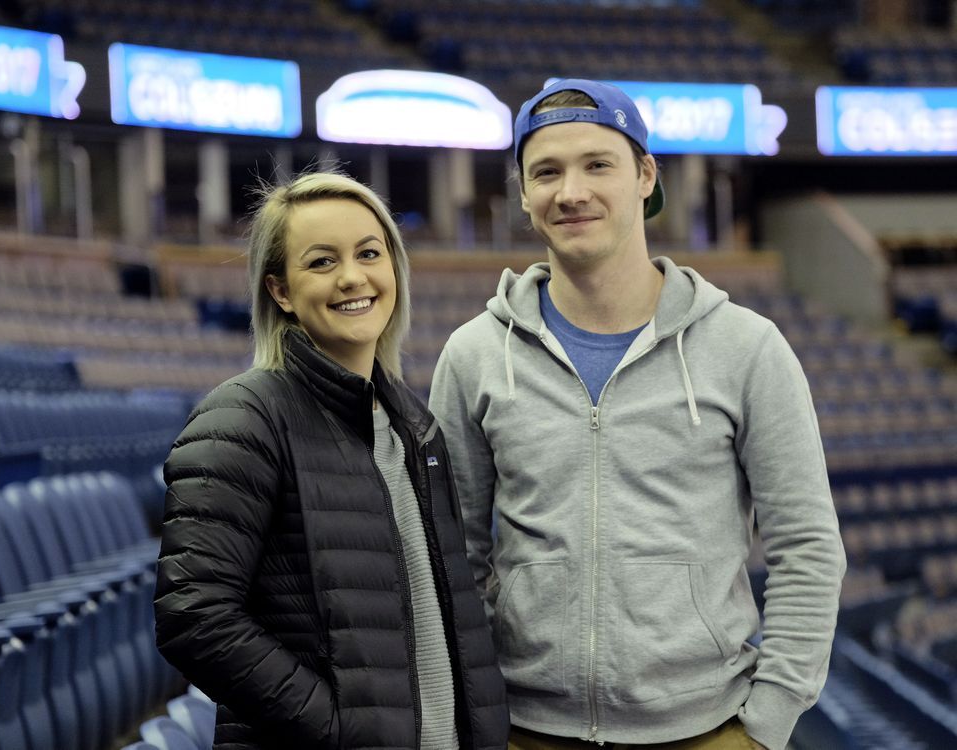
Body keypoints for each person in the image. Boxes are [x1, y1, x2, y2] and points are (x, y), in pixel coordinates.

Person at [429, 79, 846, 750]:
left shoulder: (746, 347)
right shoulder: (474, 355)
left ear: (645, 175)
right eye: (547, 172)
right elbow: (457, 557)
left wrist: (763, 728)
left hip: (706, 729)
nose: (572, 192)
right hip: (526, 731)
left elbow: (808, 548)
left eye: (598, 164)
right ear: (523, 193)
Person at [155, 171, 508, 750]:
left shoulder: (413, 426)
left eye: (369, 253)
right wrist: (341, 730)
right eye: (321, 262)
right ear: (281, 291)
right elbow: (194, 616)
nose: (352, 277)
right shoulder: (243, 417)